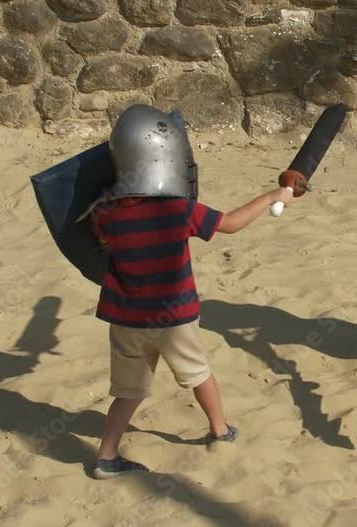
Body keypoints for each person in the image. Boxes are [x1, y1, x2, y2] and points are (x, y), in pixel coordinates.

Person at [87, 104, 293, 479]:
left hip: (125, 319)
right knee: (198, 375)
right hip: (174, 318)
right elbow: (228, 224)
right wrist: (269, 197)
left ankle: (106, 456)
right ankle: (220, 430)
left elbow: (97, 235)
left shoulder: (105, 215)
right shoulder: (180, 209)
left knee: (128, 391)